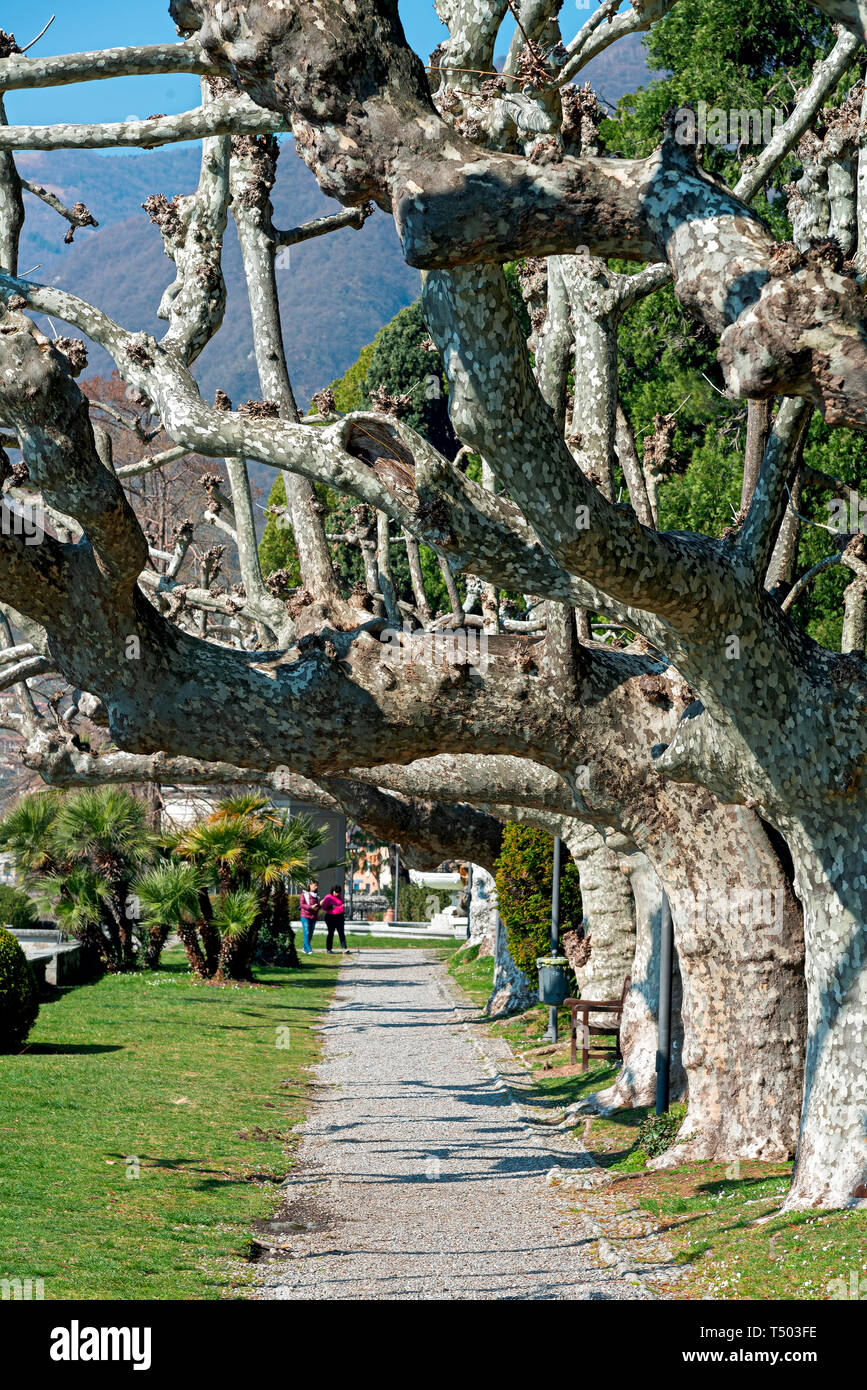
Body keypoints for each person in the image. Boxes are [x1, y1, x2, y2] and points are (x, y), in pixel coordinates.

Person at [321, 884, 347, 953]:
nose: (337, 894)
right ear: (332, 891)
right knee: (331, 933)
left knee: (341, 932)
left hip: (339, 917)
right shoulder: (328, 897)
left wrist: (337, 907)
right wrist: (333, 907)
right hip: (330, 917)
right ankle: (329, 949)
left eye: (338, 892)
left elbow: (342, 907)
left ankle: (344, 947)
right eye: (336, 892)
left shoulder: (340, 897)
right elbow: (324, 907)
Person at [299, 879, 320, 955]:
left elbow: (317, 907)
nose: (316, 887)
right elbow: (302, 905)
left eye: (317, 885)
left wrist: (319, 906)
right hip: (305, 916)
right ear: (310, 885)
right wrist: (311, 907)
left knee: (310, 934)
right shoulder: (304, 894)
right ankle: (309, 949)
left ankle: (304, 948)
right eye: (314, 885)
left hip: (313, 917)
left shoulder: (317, 896)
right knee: (307, 932)